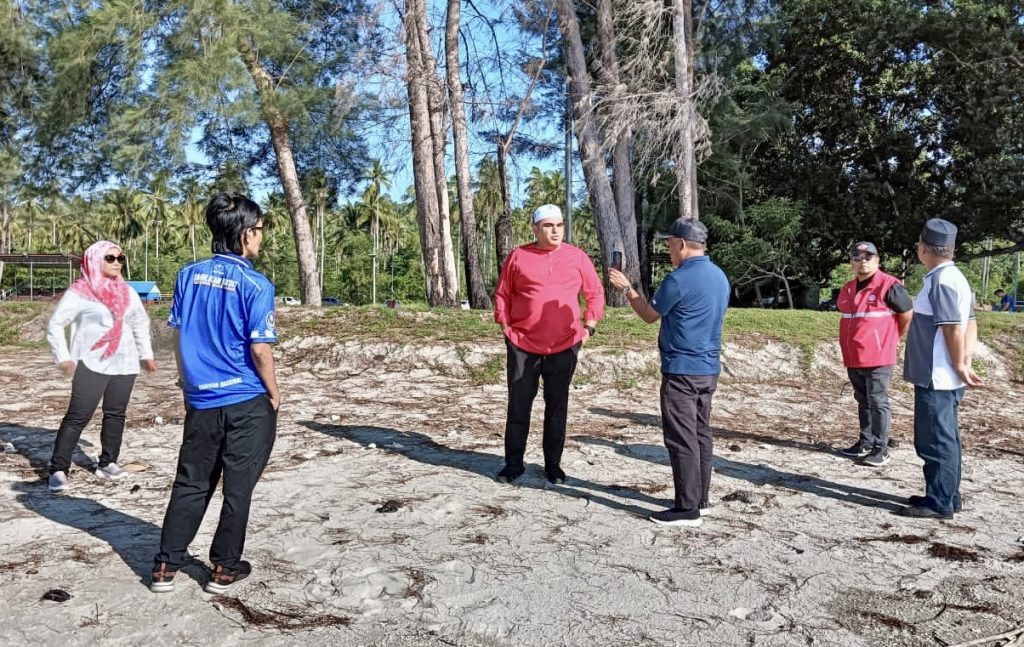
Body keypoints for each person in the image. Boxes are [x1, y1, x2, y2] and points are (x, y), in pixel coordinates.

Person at [152, 193, 280, 594]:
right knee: (238, 486)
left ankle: (165, 565)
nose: (261, 238)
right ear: (244, 235)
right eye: (259, 230)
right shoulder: (255, 284)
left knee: (191, 481)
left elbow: (178, 334)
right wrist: (274, 392)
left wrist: (186, 379)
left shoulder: (188, 275)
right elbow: (260, 349)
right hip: (245, 399)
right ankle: (224, 567)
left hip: (201, 398)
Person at [608, 218, 729, 527]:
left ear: (683, 244)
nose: (668, 249)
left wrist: (628, 290)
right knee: (701, 433)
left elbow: (649, 315)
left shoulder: (679, 279)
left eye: (670, 243)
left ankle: (687, 508)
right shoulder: (719, 276)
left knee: (681, 438)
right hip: (708, 368)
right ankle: (700, 499)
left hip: (681, 369)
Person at [493, 204, 605, 484]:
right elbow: (503, 294)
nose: (555, 231)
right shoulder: (518, 256)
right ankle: (513, 464)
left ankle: (552, 464)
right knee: (519, 405)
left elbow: (595, 293)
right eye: (548, 226)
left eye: (559, 225)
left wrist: (589, 325)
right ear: (535, 229)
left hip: (565, 344)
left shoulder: (577, 257)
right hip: (522, 343)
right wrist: (505, 325)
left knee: (557, 406)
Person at [45, 240, 156, 492]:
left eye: (120, 258)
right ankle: (58, 468)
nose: (117, 263)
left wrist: (146, 354)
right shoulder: (80, 292)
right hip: (91, 362)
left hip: (124, 363)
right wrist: (63, 355)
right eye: (110, 258)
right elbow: (55, 324)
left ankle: (107, 463)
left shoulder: (126, 291)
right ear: (95, 259)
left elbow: (139, 323)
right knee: (78, 416)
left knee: (116, 414)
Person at [900, 218, 982, 519]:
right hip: (944, 374)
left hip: (937, 375)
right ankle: (946, 493)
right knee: (946, 437)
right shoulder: (955, 277)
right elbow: (970, 322)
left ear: (923, 249)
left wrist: (960, 363)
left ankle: (940, 501)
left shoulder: (940, 281)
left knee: (935, 440)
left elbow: (951, 328)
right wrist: (966, 361)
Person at [836, 241, 913, 467]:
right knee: (862, 399)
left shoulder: (889, 286)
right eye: (857, 257)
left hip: (878, 356)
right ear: (851, 262)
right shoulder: (848, 288)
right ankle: (865, 442)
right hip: (854, 356)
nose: (862, 261)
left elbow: (907, 314)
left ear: (877, 260)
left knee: (878, 400)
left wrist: (892, 339)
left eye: (868, 256)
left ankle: (881, 448)